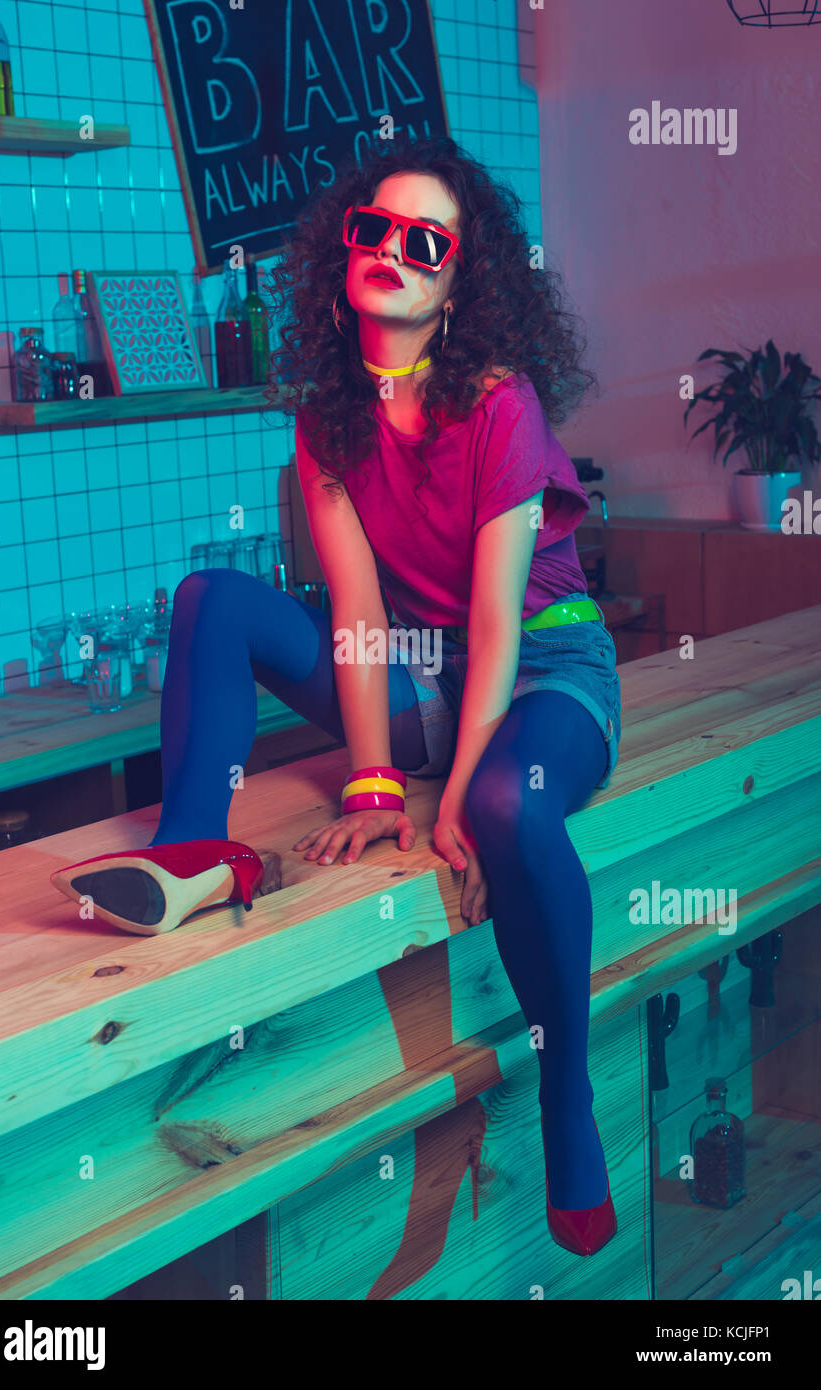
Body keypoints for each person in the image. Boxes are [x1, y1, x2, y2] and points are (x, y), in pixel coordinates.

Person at [51, 136, 621, 1258]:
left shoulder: (499, 405)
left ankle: (568, 1101)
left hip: (548, 670)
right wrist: (371, 777)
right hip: (417, 668)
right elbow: (357, 609)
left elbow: (502, 619)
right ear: (343, 252)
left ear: (459, 283)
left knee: (508, 812)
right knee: (215, 598)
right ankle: (193, 852)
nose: (394, 253)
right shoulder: (329, 418)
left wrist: (451, 794)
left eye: (428, 242)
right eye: (376, 230)